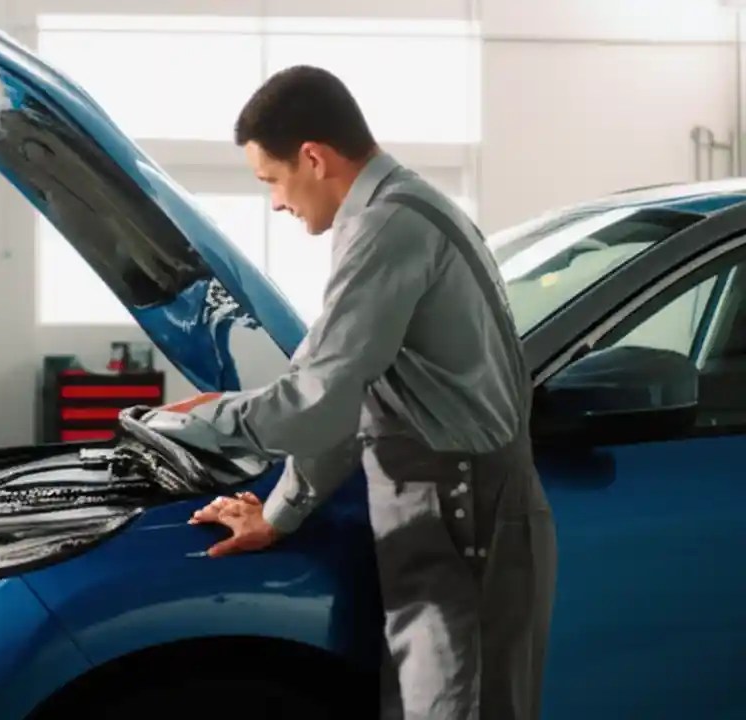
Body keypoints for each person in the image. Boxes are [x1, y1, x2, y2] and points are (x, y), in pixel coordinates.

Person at [159, 66, 557, 720]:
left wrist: (197, 421)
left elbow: (317, 399)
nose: (278, 204)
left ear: (313, 158)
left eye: (272, 182)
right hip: (445, 522)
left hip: (465, 521)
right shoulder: (393, 213)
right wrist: (281, 513)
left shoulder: (390, 226)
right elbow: (354, 398)